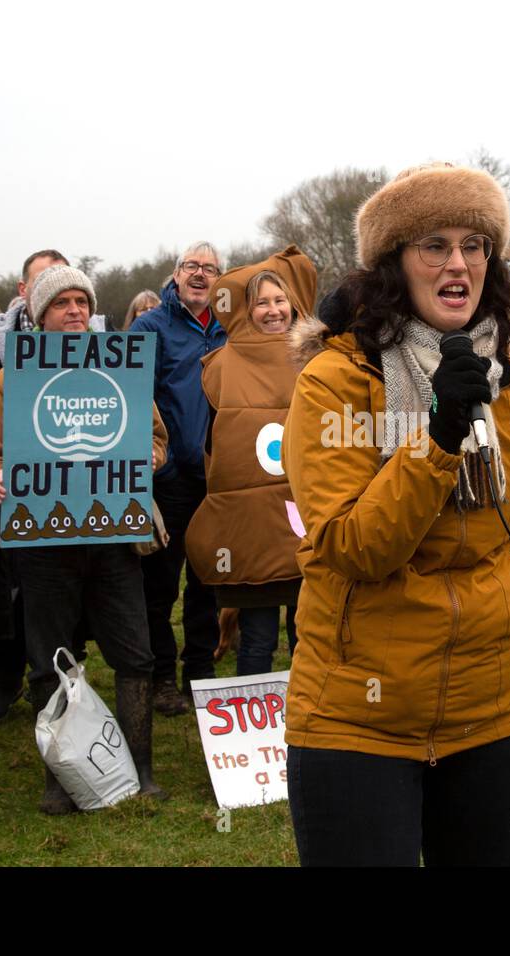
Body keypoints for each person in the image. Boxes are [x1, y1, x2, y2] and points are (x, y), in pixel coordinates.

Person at [281, 163, 510, 866]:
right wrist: (439, 440)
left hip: (493, 719)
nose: (458, 263)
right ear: (394, 263)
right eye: (434, 245)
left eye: (475, 245)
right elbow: (356, 547)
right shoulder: (334, 380)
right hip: (355, 722)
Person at [0, 265, 171, 813]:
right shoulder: (9, 379)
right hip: (43, 545)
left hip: (112, 539)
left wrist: (146, 459)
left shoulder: (119, 367)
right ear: (39, 315)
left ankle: (141, 767)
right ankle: (58, 777)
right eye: (61, 303)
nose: (75, 311)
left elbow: (157, 438)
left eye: (82, 300)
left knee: (135, 654)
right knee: (49, 660)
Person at [187, 249, 316, 675]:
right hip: (254, 527)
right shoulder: (224, 364)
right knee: (258, 635)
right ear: (247, 309)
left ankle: (310, 720)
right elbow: (213, 443)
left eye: (280, 300)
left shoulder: (317, 357)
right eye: (261, 302)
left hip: (306, 517)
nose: (272, 310)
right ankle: (255, 732)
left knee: (308, 629)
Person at [0, 249, 72, 722]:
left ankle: (61, 679)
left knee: (63, 594)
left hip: (73, 493)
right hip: (9, 492)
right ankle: (5, 674)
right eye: (44, 282)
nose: (64, 302)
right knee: (9, 593)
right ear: (26, 293)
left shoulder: (98, 348)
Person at [130, 243, 227, 713]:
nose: (200, 275)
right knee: (159, 583)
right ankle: (161, 676)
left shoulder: (232, 328)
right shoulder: (150, 327)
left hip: (220, 477)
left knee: (208, 579)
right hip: (169, 479)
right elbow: (131, 399)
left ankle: (201, 672)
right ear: (176, 273)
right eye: (193, 266)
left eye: (210, 269)